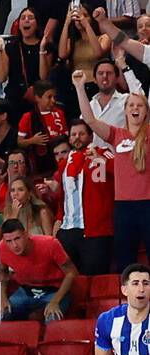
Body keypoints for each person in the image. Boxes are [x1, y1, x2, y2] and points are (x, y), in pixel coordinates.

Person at [72, 68, 150, 271]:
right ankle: (128, 300)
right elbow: (89, 120)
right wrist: (80, 88)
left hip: (148, 205)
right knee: (126, 259)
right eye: (131, 105)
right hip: (123, 207)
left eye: (140, 105)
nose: (135, 108)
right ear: (125, 111)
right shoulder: (117, 134)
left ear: (146, 111)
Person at [55, 119, 115, 275]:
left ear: (91, 136)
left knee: (95, 279)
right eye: (73, 134)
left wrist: (99, 160)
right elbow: (63, 197)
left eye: (81, 134)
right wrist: (59, 220)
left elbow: (121, 173)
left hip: (96, 231)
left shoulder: (103, 153)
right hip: (68, 231)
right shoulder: (64, 163)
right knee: (71, 280)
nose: (77, 137)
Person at [0, 218, 77, 322]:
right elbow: (3, 271)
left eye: (17, 238)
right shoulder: (2, 247)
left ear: (26, 234)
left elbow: (71, 273)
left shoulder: (50, 244)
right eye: (9, 241)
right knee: (0, 316)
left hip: (54, 290)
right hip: (26, 290)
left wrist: (55, 301)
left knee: (53, 318)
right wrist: (2, 298)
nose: (14, 245)